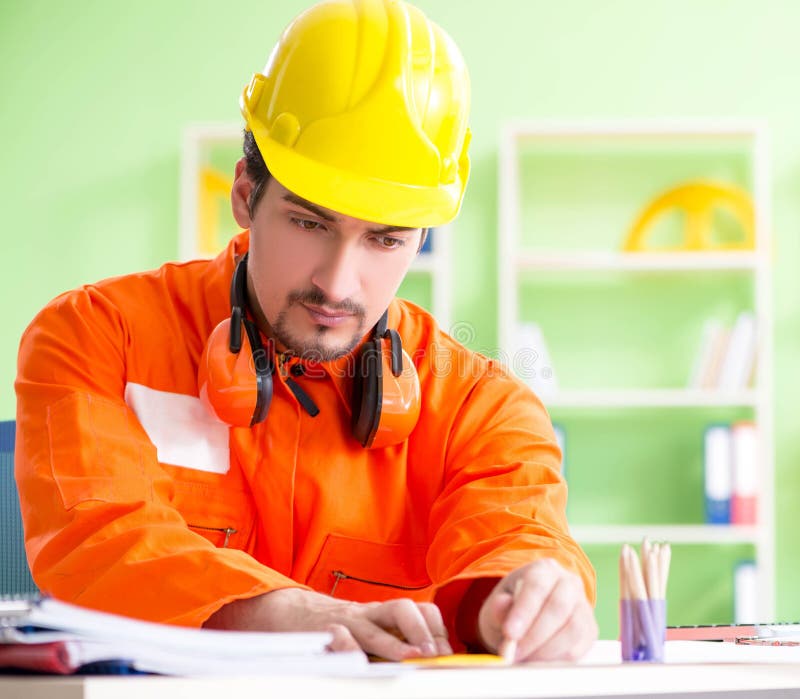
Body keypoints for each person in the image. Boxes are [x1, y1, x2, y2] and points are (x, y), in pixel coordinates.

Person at [14, 0, 597, 662]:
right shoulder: (94, 338)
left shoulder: (480, 405)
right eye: (309, 222)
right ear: (244, 194)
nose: (339, 284)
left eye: (385, 238)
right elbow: (96, 537)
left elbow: (523, 535)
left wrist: (533, 601)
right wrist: (287, 612)